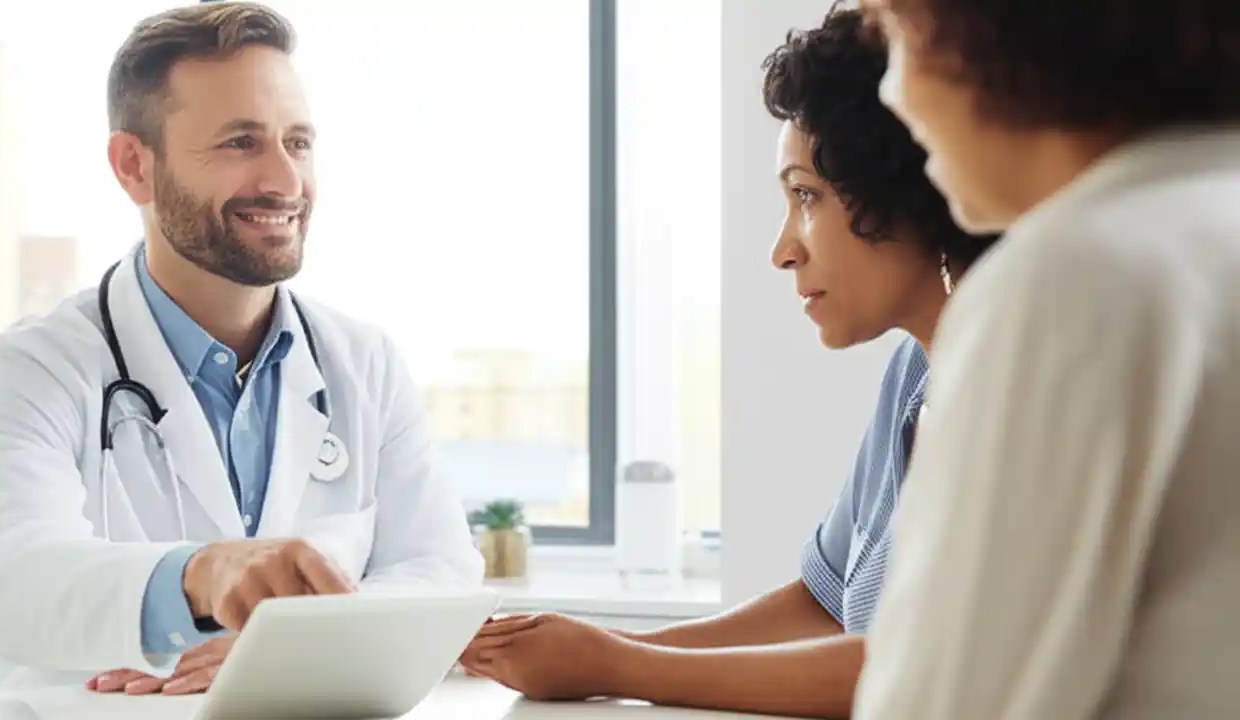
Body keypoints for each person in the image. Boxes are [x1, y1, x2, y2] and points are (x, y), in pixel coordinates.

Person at [460, 10, 995, 718]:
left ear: (899, 188)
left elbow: (919, 661)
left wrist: (622, 665)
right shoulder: (912, 374)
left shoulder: (1015, 384)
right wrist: (604, 651)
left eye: (805, 196)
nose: (783, 249)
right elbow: (823, 605)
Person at [0, 2, 482, 694]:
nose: (285, 181)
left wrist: (289, 645)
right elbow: (9, 580)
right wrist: (199, 577)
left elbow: (441, 573)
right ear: (134, 167)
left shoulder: (365, 364)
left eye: (297, 143)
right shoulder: (29, 370)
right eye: (241, 143)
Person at [853, 1, 1240, 717]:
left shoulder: (1074, 276)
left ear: (988, 30)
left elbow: (953, 701)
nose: (892, 91)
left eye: (902, 37)